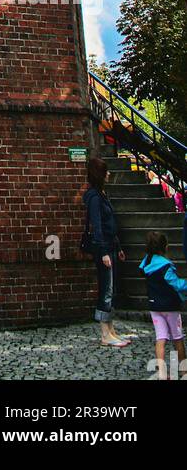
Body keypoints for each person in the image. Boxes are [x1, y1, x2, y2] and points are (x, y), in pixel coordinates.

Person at [82, 156, 130, 346]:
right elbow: (98, 226)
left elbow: (110, 224)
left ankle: (111, 329)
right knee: (106, 289)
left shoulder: (101, 194)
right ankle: (104, 333)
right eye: (106, 171)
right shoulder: (94, 197)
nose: (109, 173)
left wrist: (117, 246)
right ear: (99, 174)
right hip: (103, 248)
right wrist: (103, 252)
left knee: (111, 288)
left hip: (110, 245)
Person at [139, 231, 187, 379]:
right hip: (171, 307)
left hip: (155, 307)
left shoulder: (146, 262)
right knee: (177, 338)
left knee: (160, 338)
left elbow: (142, 270)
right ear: (164, 247)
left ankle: (161, 372)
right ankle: (184, 370)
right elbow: (177, 284)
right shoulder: (166, 267)